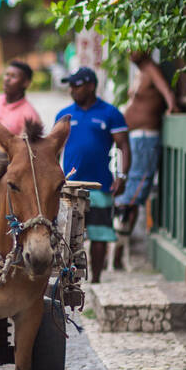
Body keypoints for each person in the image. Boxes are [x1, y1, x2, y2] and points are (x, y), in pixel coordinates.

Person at [55, 67, 130, 284]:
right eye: (70, 86)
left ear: (90, 86)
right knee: (67, 234)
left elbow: (124, 146)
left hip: (100, 185)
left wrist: (122, 177)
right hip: (70, 185)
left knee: (100, 234)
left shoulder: (110, 113)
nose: (72, 90)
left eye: (76, 86)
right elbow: (54, 150)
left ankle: (96, 279)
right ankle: (69, 280)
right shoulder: (64, 115)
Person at [114, 50, 177, 255]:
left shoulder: (151, 69)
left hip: (145, 137)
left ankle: (120, 246)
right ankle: (120, 245)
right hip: (133, 138)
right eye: (128, 47)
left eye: (135, 47)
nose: (130, 52)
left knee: (133, 190)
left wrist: (172, 106)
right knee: (127, 187)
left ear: (147, 48)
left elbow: (166, 90)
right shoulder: (139, 72)